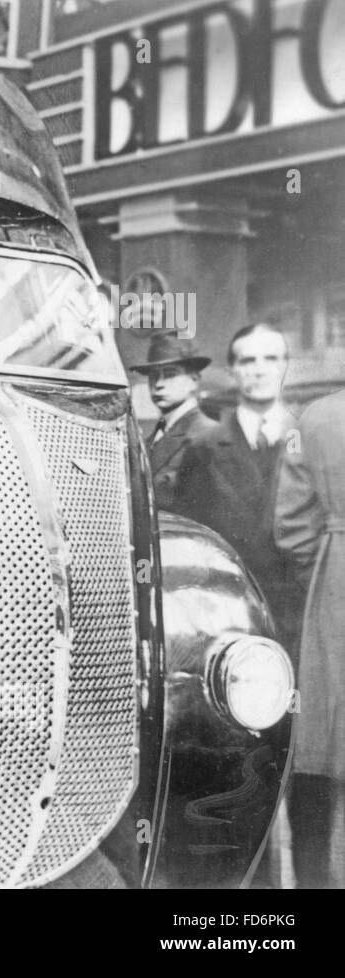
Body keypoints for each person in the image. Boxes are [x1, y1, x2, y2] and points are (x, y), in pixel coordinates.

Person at [173, 323, 302, 649]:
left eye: (270, 359)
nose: (259, 371)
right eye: (247, 361)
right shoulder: (204, 447)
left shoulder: (306, 439)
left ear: (285, 365)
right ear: (232, 370)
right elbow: (192, 540)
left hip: (300, 611)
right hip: (231, 616)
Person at [274, 389, 345, 888]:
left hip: (337, 582)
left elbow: (291, 528)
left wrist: (325, 569)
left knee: (327, 739)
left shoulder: (315, 416)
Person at [129, 334, 217, 510]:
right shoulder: (150, 439)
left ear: (194, 381)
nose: (159, 384)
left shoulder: (207, 435)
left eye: (170, 374)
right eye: (153, 376)